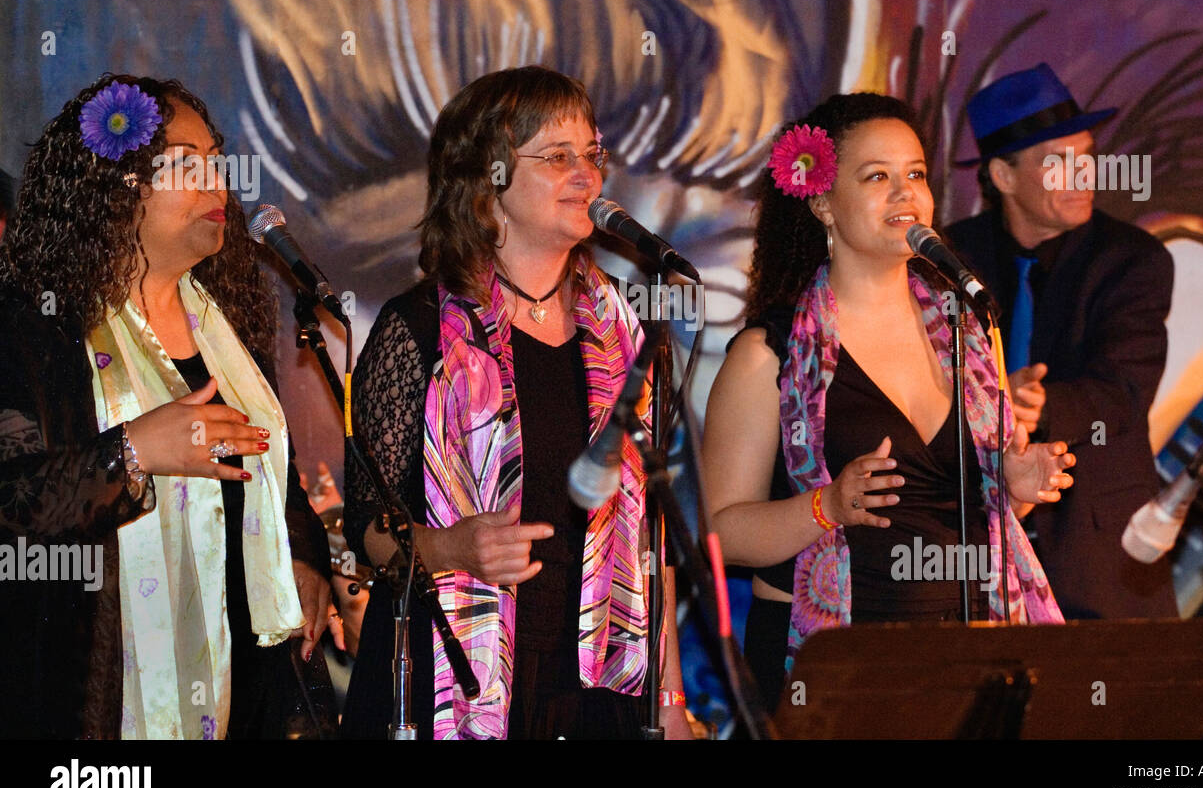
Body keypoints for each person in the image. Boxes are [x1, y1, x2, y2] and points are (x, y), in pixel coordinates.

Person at [342, 65, 691, 739]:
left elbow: (655, 538)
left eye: (592, 154)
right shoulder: (415, 331)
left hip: (597, 686)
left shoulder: (629, 341)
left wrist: (670, 703)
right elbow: (369, 531)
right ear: (487, 182)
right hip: (448, 674)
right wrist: (451, 548)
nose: (587, 174)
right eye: (558, 157)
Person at [702, 93, 1072, 712]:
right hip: (833, 670)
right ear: (821, 201)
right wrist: (826, 506)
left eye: (917, 175)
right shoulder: (767, 354)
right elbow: (720, 536)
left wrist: (1014, 487)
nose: (906, 194)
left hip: (964, 661)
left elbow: (971, 521)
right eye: (878, 177)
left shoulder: (967, 337)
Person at [0, 75, 334, 739]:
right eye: (189, 164)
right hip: (86, 704)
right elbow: (12, 503)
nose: (219, 186)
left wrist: (302, 555)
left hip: (244, 694)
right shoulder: (32, 330)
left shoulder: (225, 328)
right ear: (115, 181)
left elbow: (267, 468)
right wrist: (133, 453)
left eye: (217, 163)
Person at [945, 63, 1178, 619]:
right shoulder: (949, 261)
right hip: (969, 546)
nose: (1083, 175)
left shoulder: (1132, 259)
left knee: (1117, 702)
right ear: (1002, 176)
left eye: (1086, 155)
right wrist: (989, 398)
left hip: (1099, 555)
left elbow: (1124, 388)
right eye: (1058, 163)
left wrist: (1037, 403)